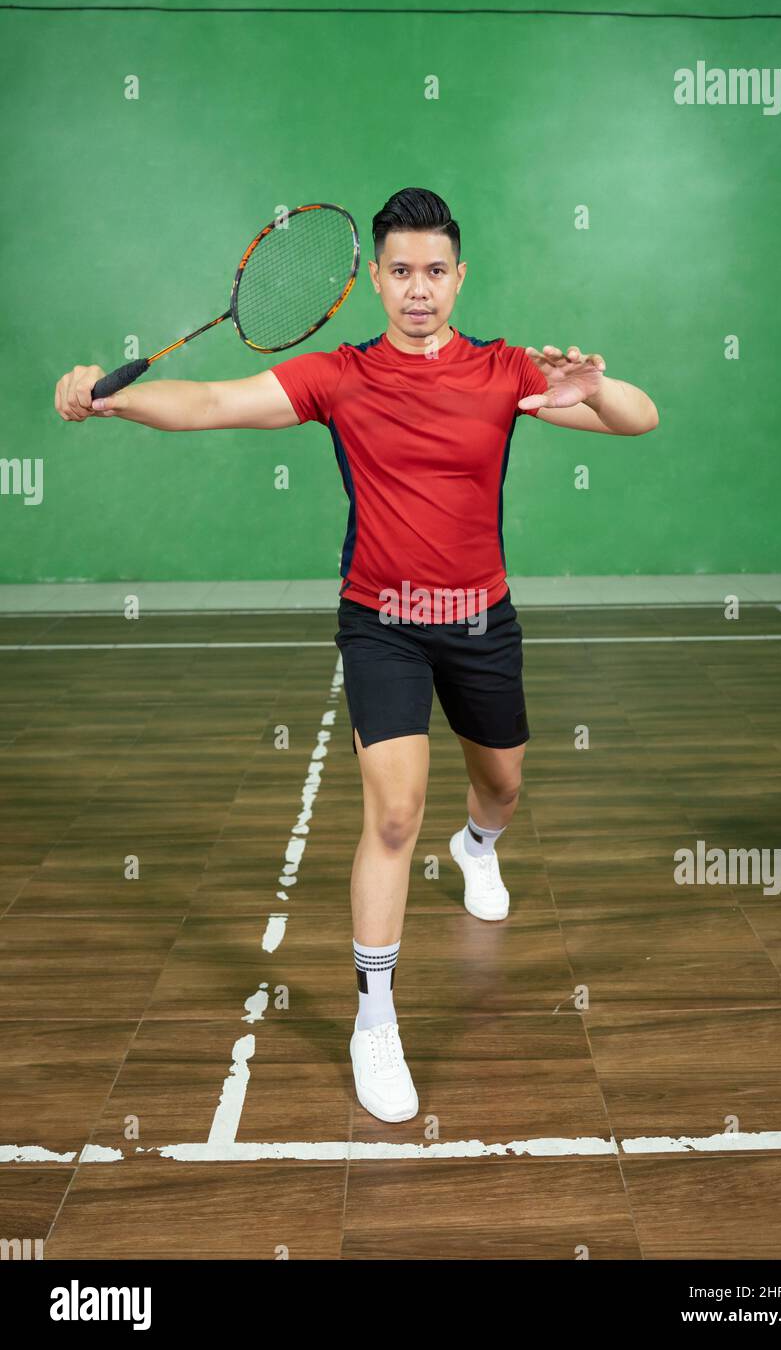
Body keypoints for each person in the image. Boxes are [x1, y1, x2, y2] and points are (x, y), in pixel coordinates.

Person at [54, 187, 659, 1125]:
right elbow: (210, 400)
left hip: (479, 617)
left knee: (501, 785)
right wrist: (112, 400)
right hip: (380, 619)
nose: (419, 290)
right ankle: (375, 1014)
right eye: (401, 272)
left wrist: (599, 391)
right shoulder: (337, 376)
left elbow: (640, 421)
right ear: (375, 277)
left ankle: (479, 846)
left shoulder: (507, 370)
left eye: (435, 272)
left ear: (461, 278)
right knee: (392, 809)